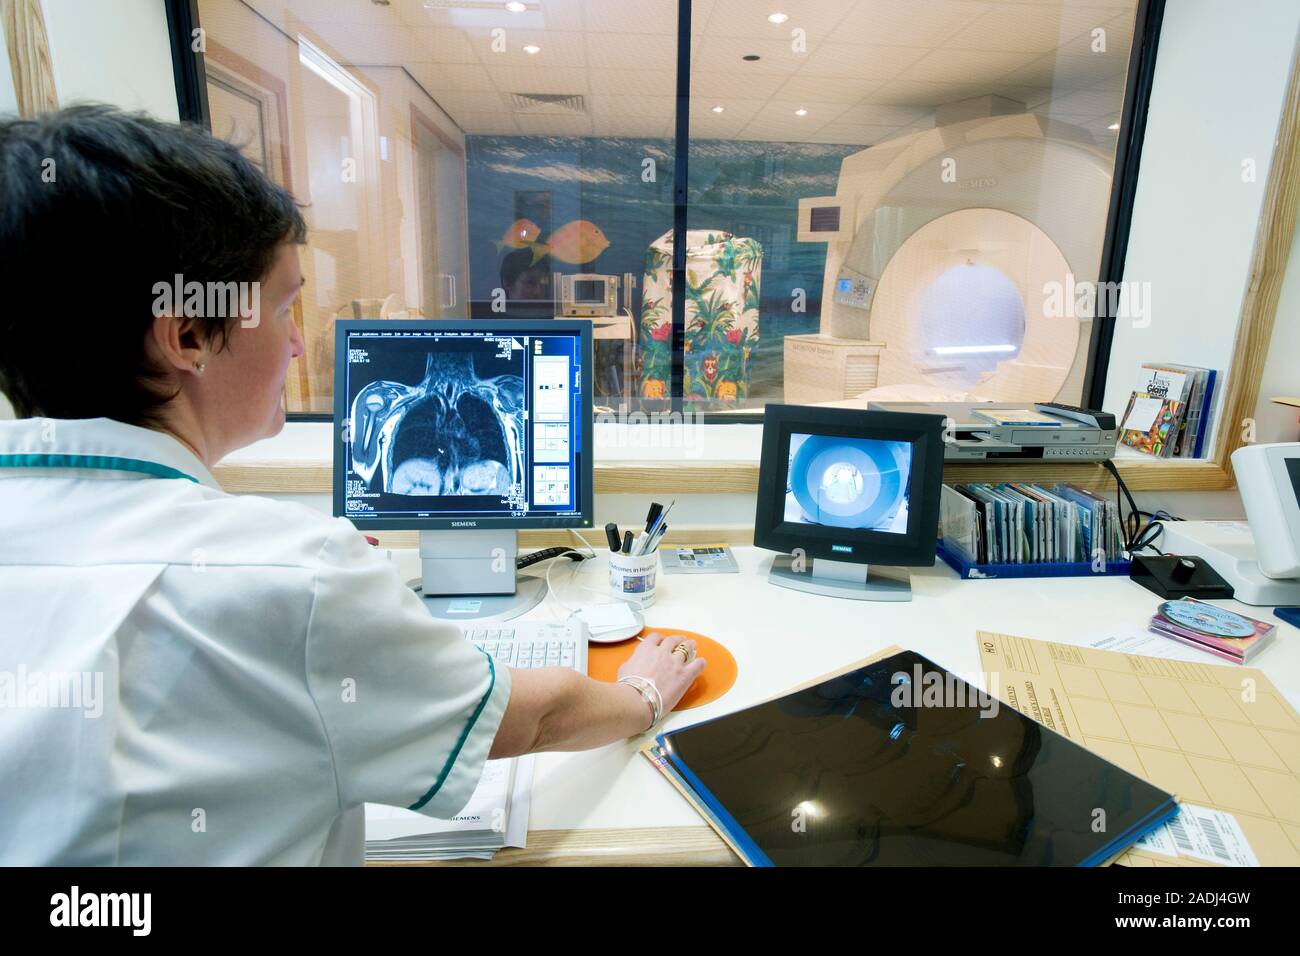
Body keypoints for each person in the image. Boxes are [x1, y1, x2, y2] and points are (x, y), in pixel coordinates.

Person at [0, 106, 705, 865]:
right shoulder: (294, 578)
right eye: (282, 307)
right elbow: (531, 720)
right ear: (189, 335)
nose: (301, 340)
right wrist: (643, 692)